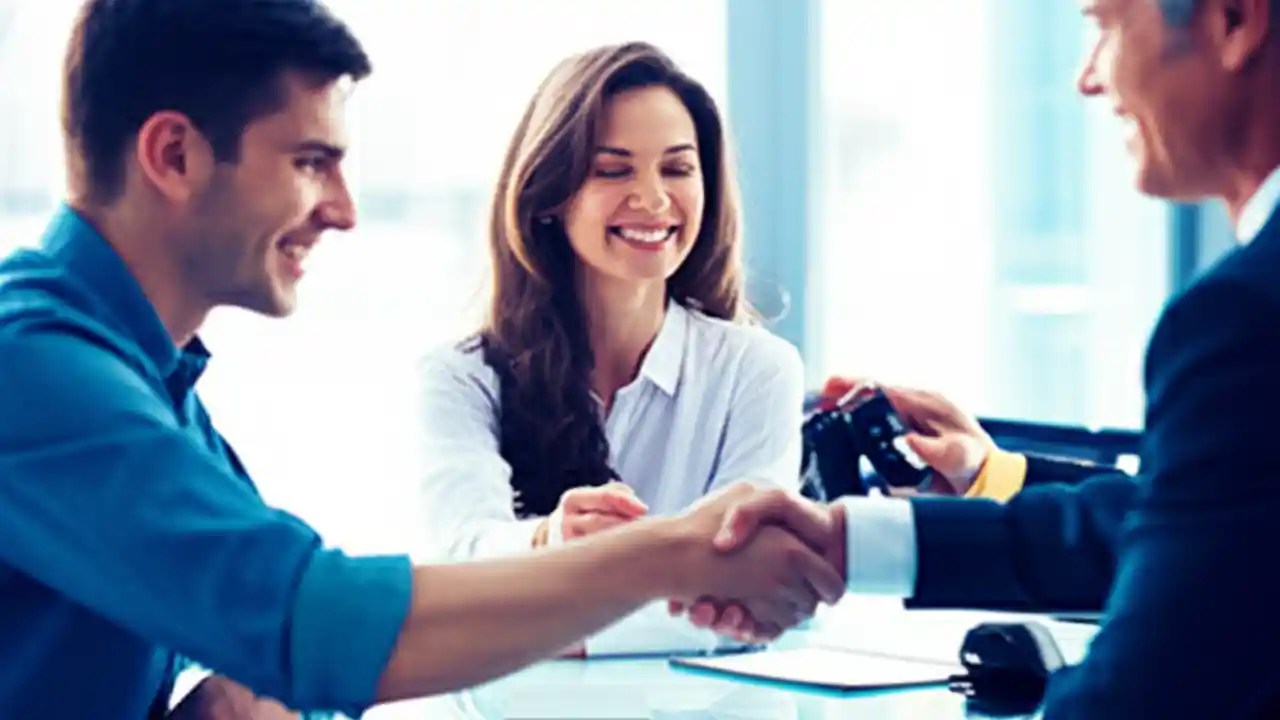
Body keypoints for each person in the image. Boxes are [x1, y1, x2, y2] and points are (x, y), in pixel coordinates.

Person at [0, 2, 845, 717]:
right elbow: (312, 620)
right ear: (174, 156)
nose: (343, 209)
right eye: (310, 162)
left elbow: (263, 636)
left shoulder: (151, 385)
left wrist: (226, 689)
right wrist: (671, 554)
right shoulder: (33, 372)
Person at [688, 0, 1280, 715]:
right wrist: (850, 542)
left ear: (1234, 22)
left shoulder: (1245, 317)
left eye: (1107, 25)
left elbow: (1144, 689)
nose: (1088, 79)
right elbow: (1157, 521)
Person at [415, 41, 805, 657]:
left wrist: (542, 615)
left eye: (677, 169)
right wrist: (549, 541)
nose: (652, 199)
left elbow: (748, 600)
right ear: (549, 195)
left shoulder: (757, 372)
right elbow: (459, 567)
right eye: (614, 169)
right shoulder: (461, 376)